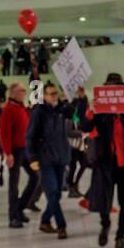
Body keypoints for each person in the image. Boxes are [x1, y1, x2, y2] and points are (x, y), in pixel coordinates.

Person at [80, 74, 124, 248]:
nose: (114, 90)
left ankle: (120, 237)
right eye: (110, 87)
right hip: (105, 162)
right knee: (103, 199)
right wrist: (91, 110)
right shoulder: (100, 109)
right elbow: (85, 126)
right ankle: (105, 224)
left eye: (117, 86)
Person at [26, 82, 74, 239]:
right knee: (52, 192)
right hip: (44, 159)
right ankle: (61, 226)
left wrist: (74, 97)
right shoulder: (38, 111)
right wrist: (32, 157)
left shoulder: (61, 109)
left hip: (61, 157)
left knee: (57, 195)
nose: (55, 96)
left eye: (56, 93)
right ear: (44, 95)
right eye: (51, 94)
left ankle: (45, 221)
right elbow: (30, 136)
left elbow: (73, 111)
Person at [0, 83, 35, 228]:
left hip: (26, 149)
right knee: (14, 184)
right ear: (13, 92)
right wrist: (8, 153)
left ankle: (19, 208)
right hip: (15, 150)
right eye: (21, 90)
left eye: (24, 90)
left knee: (36, 177)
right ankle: (13, 216)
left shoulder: (21, 108)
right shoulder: (8, 109)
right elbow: (5, 133)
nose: (24, 93)